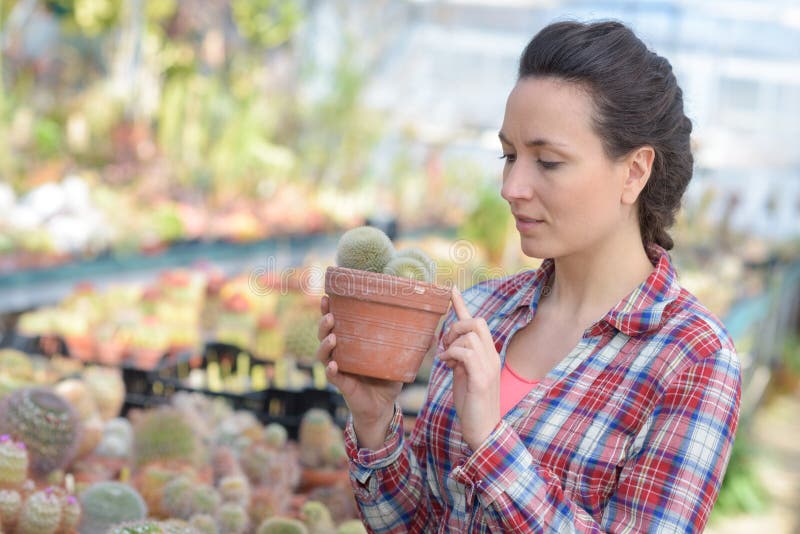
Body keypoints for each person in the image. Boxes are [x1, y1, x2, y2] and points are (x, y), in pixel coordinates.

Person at [316, 20, 741, 533]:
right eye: (510, 156)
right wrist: (375, 420)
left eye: (548, 161)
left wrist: (493, 443)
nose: (512, 186)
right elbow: (420, 525)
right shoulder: (483, 313)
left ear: (634, 171)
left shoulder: (693, 359)